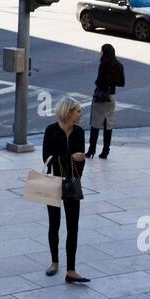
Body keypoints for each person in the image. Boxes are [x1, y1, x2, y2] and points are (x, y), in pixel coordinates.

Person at [42, 97, 90, 283]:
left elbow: (82, 159)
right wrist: (70, 158)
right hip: (53, 181)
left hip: (72, 181)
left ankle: (71, 269)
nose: (80, 114)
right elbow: (47, 158)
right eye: (78, 110)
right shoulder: (51, 130)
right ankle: (54, 262)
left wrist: (76, 168)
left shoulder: (79, 132)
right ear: (68, 111)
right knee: (54, 224)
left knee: (73, 226)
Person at [85, 44, 124, 160]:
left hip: (100, 96)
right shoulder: (119, 65)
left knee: (95, 124)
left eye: (101, 51)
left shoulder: (103, 64)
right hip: (111, 96)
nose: (100, 53)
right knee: (108, 124)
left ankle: (91, 150)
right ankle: (105, 151)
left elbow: (98, 81)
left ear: (104, 52)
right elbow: (122, 83)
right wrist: (112, 82)